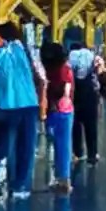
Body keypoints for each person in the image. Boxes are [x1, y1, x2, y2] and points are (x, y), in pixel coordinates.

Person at [0, 22, 41, 198]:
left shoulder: (4, 52)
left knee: (5, 145)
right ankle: (20, 185)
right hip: (29, 104)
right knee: (26, 146)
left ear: (1, 36)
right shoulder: (25, 50)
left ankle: (1, 181)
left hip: (8, 106)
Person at [40, 42, 74, 194]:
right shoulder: (65, 69)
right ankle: (63, 179)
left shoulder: (48, 71)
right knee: (64, 145)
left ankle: (54, 177)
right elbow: (67, 89)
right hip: (65, 110)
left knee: (51, 144)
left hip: (52, 110)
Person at [68, 43, 100, 165]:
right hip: (90, 94)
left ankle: (78, 152)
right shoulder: (91, 55)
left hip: (75, 94)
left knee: (75, 125)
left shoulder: (71, 56)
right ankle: (92, 154)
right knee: (91, 126)